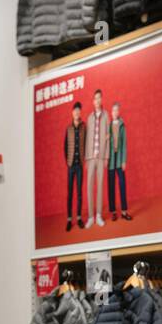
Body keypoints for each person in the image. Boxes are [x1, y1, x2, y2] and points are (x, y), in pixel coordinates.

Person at [85, 89, 111, 228]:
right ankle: (90, 217)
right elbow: (87, 138)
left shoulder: (106, 115)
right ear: (93, 101)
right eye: (95, 98)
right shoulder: (89, 118)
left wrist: (106, 156)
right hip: (90, 157)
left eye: (99, 98)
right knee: (89, 186)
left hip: (101, 157)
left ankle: (99, 215)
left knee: (100, 185)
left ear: (101, 99)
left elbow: (108, 136)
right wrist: (86, 158)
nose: (97, 100)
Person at [108, 101, 132, 222]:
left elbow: (125, 145)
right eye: (113, 110)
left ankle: (124, 211)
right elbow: (106, 143)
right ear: (111, 112)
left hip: (119, 159)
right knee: (111, 186)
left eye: (117, 110)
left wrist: (124, 160)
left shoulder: (122, 125)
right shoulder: (108, 125)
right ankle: (113, 212)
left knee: (122, 184)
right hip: (111, 160)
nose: (115, 112)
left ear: (119, 112)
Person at [65, 102, 87, 231]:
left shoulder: (84, 127)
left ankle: (78, 218)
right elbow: (65, 146)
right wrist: (68, 162)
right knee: (70, 193)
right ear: (72, 113)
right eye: (75, 111)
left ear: (80, 113)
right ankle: (69, 219)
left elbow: (86, 143)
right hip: (71, 166)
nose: (77, 113)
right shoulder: (68, 129)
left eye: (79, 111)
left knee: (79, 193)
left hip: (79, 166)